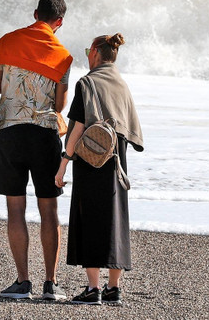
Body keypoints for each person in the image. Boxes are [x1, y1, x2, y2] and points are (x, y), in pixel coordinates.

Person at [0, 0, 73, 301]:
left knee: (15, 208)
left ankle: (23, 282)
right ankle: (51, 284)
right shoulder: (62, 56)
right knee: (48, 209)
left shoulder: (6, 42)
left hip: (11, 132)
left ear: (35, 13)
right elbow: (61, 104)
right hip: (43, 135)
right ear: (59, 22)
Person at [55, 33, 143, 306]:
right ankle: (113, 288)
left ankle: (93, 289)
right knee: (115, 220)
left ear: (94, 52)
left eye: (87, 51)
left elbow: (77, 128)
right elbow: (131, 132)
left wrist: (63, 164)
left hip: (92, 160)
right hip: (118, 161)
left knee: (89, 218)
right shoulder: (122, 84)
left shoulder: (87, 83)